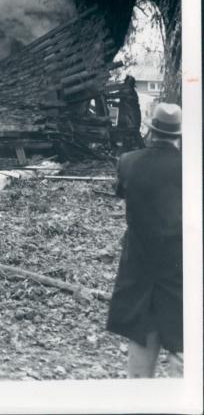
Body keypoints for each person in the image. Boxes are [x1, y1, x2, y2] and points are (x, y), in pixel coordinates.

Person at [106, 102, 183, 378]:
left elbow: (123, 193)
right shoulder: (190, 168)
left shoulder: (128, 162)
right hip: (178, 271)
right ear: (178, 136)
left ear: (151, 132)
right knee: (182, 352)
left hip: (139, 267)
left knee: (140, 350)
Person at [114, 75, 143, 150]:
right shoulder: (132, 92)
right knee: (130, 133)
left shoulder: (128, 91)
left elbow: (126, 101)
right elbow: (124, 102)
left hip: (130, 117)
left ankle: (138, 148)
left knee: (131, 132)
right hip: (130, 116)